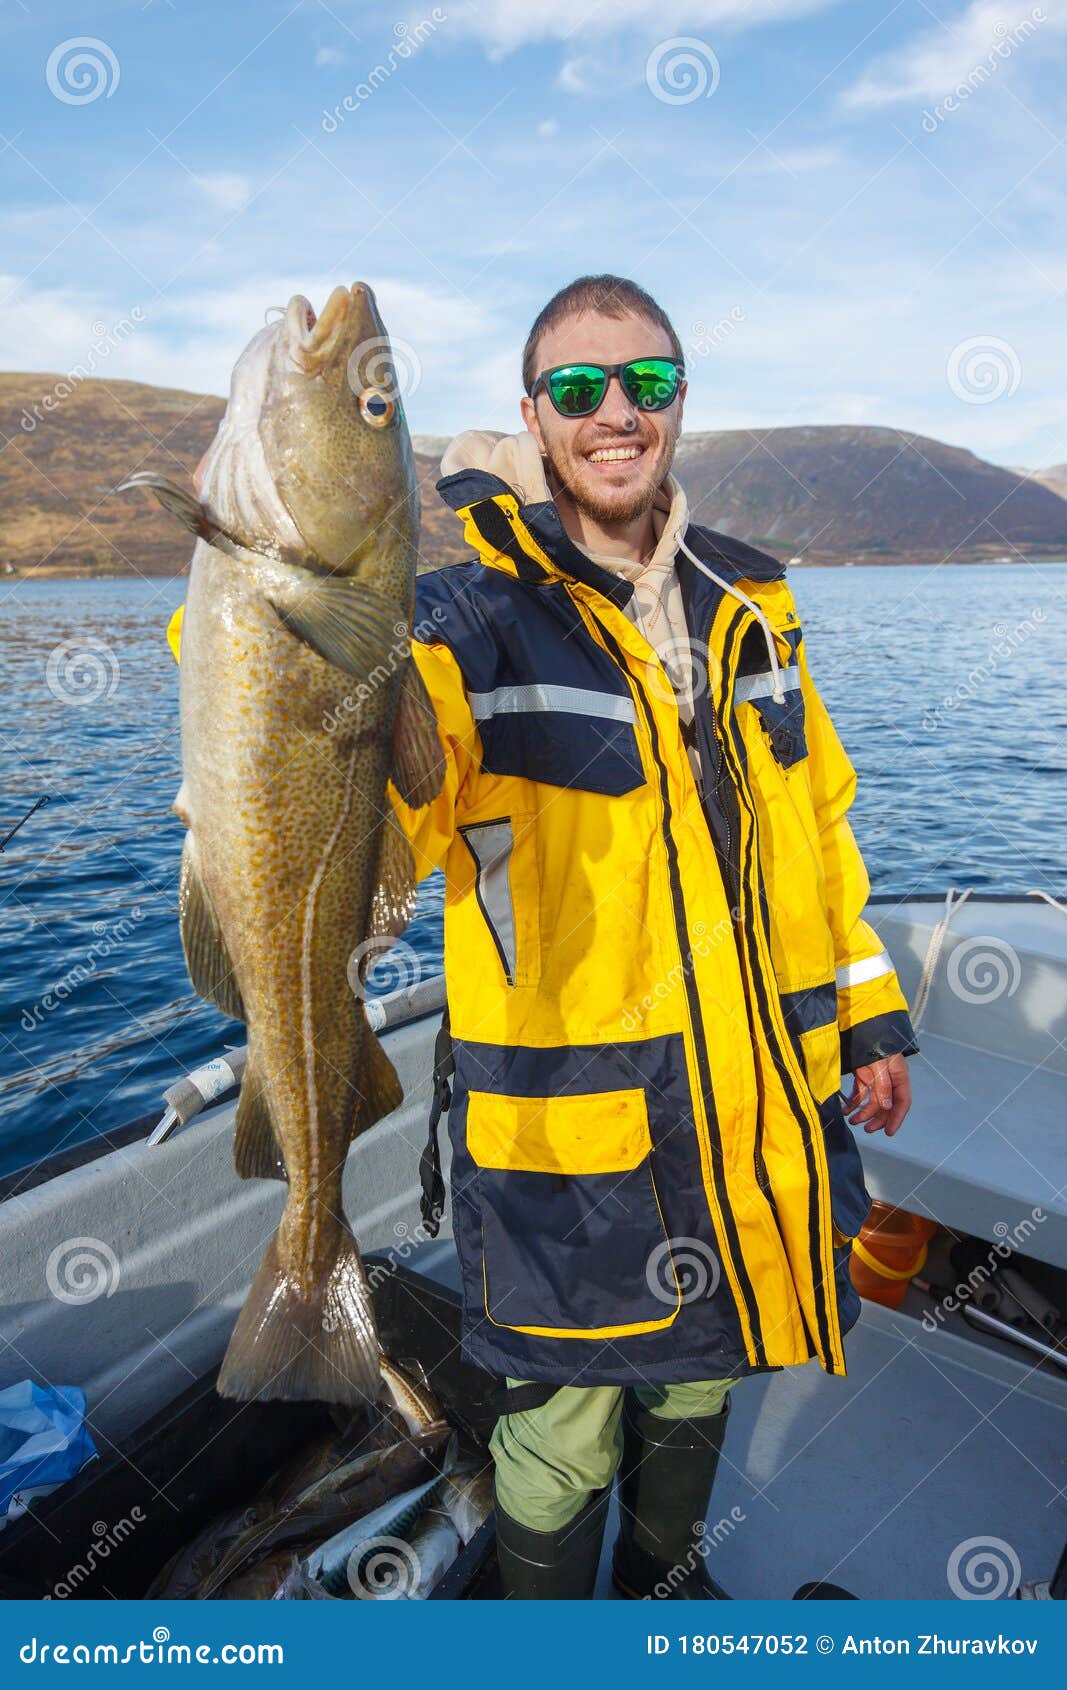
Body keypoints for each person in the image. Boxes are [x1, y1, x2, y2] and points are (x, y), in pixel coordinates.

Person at [388, 274, 917, 1600]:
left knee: (704, 1373)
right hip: (576, 1140)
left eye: (646, 383)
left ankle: (664, 1586)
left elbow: (819, 826)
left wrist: (867, 1014)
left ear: (680, 400)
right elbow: (385, 790)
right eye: (579, 389)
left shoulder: (754, 601)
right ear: (532, 414)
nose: (615, 412)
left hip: (746, 1110)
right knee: (561, 1437)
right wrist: (284, 613)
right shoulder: (459, 620)